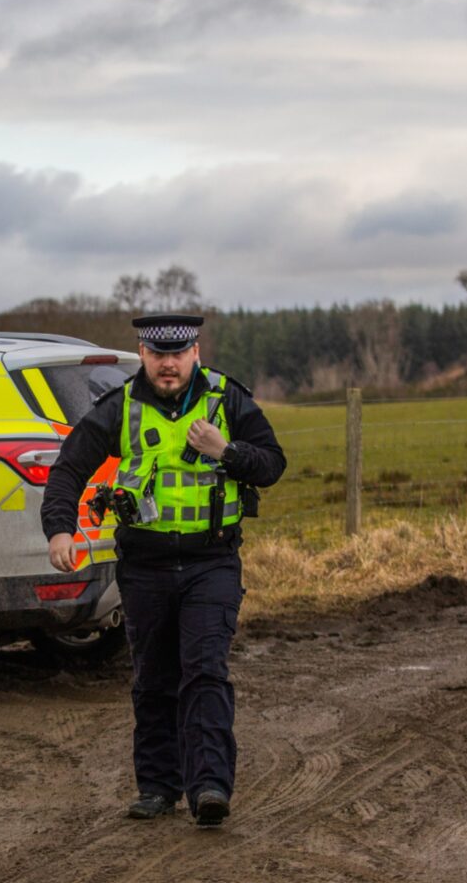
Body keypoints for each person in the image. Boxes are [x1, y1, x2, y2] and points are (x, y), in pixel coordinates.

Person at [42, 313, 285, 827]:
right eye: (158, 355)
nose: (168, 365)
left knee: (205, 672)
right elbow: (68, 469)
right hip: (145, 567)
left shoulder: (227, 400)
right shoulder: (119, 408)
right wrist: (59, 529)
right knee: (154, 680)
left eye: (178, 354)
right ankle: (157, 787)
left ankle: (210, 787)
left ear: (195, 352)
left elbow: (273, 464)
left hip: (211, 562)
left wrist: (228, 451)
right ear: (143, 354)